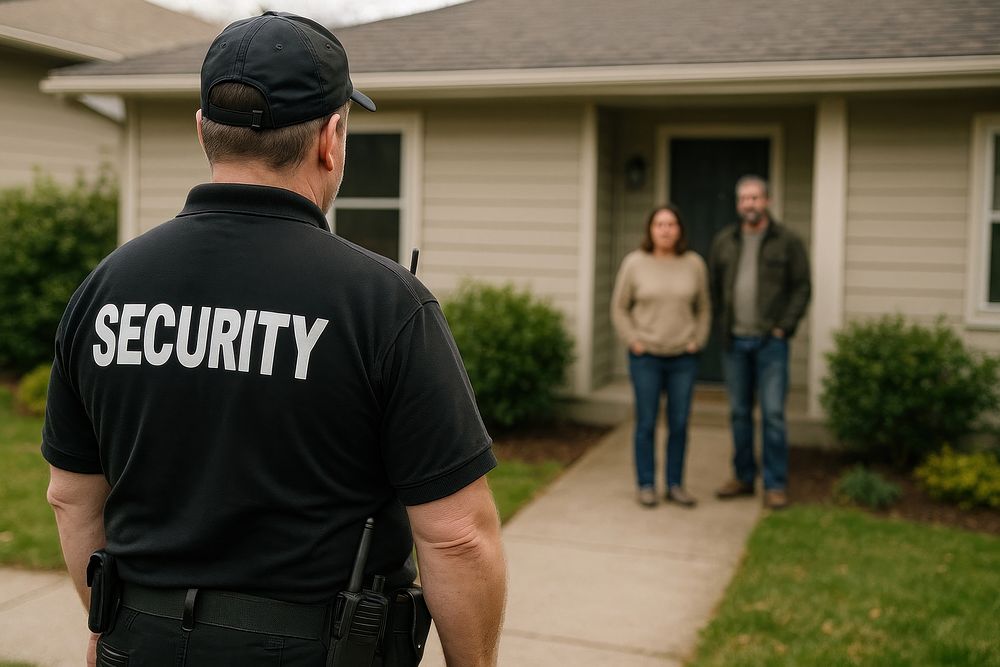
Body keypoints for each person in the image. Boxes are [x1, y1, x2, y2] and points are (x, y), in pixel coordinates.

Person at [41, 12, 506, 667]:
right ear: (332, 138)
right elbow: (458, 536)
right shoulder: (383, 304)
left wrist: (108, 618)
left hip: (139, 642)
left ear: (203, 129)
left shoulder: (104, 290)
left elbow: (69, 495)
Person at [708, 175, 811, 510]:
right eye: (744, 199)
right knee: (739, 413)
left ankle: (775, 484)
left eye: (755, 198)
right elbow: (714, 287)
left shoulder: (787, 241)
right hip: (735, 342)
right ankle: (742, 477)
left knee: (773, 414)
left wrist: (784, 327)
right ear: (738, 205)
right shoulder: (725, 241)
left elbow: (802, 287)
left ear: (767, 200)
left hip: (771, 344)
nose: (749, 205)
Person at [611, 204, 711, 508]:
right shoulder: (634, 263)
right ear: (650, 230)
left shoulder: (694, 263)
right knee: (646, 423)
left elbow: (704, 306)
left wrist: (698, 339)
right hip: (647, 358)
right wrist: (633, 340)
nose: (665, 230)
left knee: (679, 424)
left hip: (683, 357)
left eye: (671, 224)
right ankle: (646, 484)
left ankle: (676, 484)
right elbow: (619, 307)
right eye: (659, 224)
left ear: (679, 230)